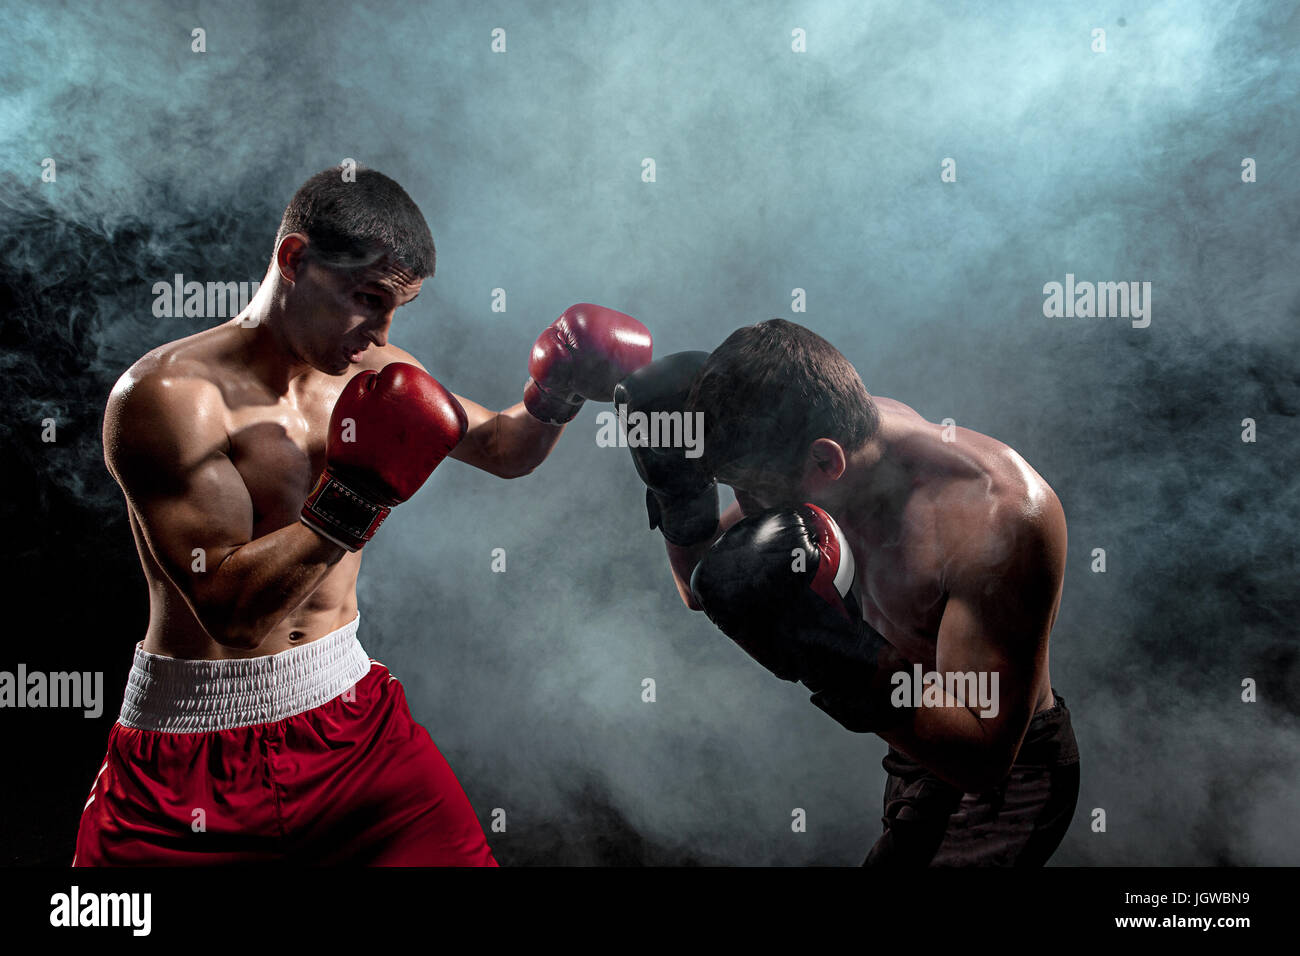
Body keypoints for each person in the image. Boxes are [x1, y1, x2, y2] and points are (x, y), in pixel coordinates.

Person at [74, 166, 652, 865]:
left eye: (394, 309)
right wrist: (355, 497)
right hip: (191, 759)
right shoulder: (169, 398)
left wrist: (556, 392)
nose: (379, 333)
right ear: (295, 260)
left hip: (353, 731)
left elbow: (503, 449)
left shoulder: (373, 372)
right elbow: (233, 613)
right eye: (366, 299)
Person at [617, 321, 1079, 866]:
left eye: (748, 487)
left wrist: (828, 653)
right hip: (918, 756)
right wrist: (679, 493)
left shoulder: (996, 518)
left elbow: (982, 761)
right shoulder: (812, 447)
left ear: (825, 461)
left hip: (1004, 776)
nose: (742, 504)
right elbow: (705, 585)